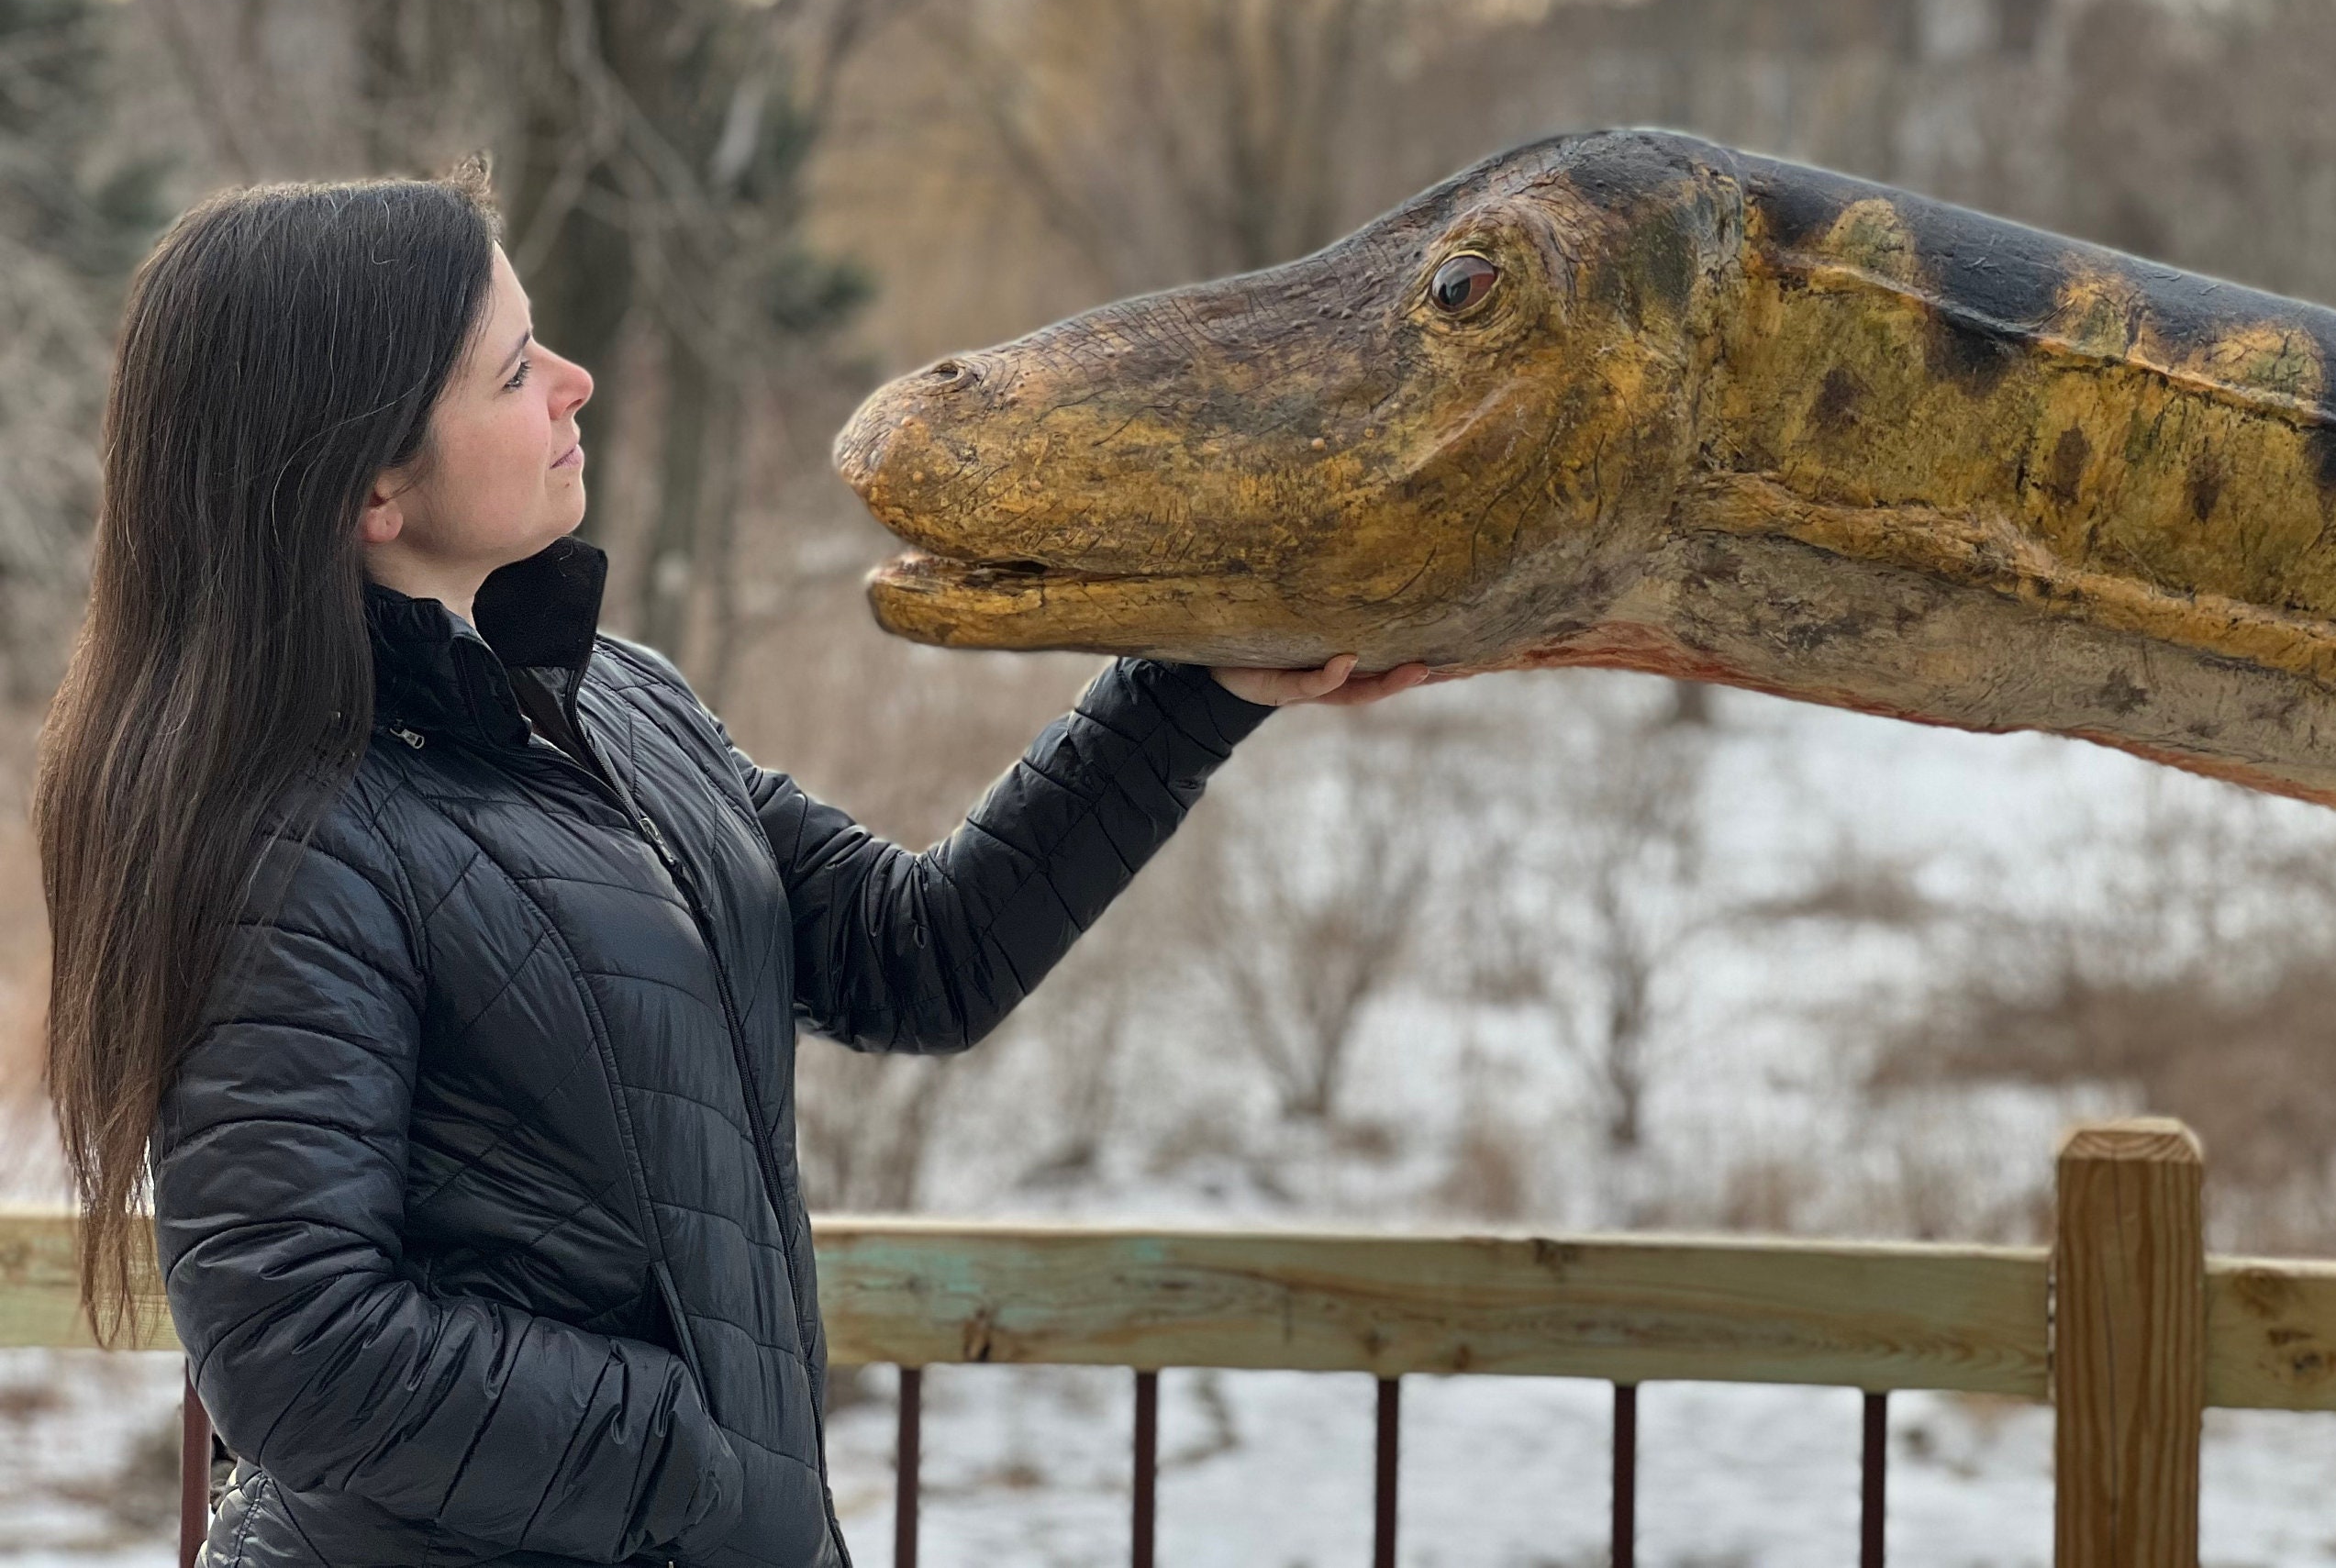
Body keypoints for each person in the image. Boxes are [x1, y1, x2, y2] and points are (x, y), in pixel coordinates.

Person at [34, 174, 1427, 1567]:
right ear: (375, 487)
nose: (576, 381)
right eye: (516, 370)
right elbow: (297, 1345)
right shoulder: (289, 833)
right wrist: (698, 1470)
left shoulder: (611, 703)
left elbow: (917, 955)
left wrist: (1200, 673)